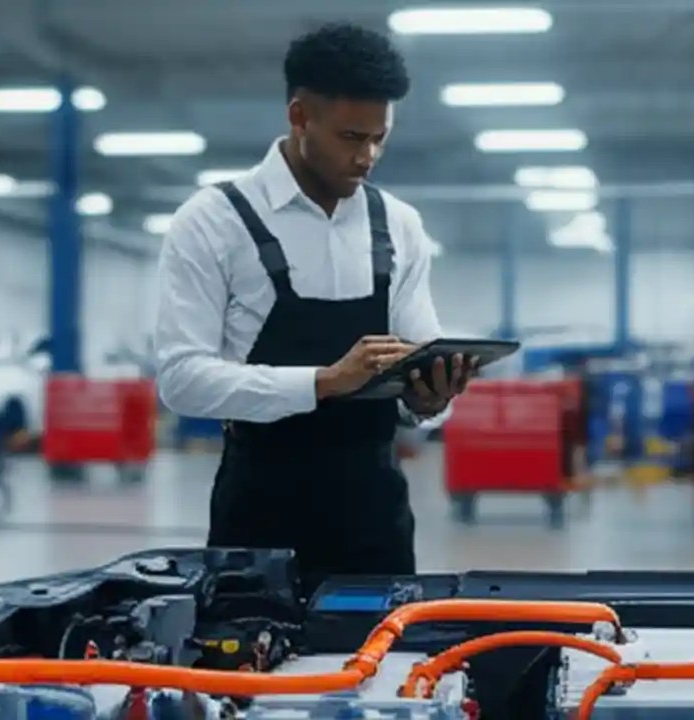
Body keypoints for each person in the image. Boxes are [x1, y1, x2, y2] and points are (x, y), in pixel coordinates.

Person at [153, 22, 474, 588]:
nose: (368, 156)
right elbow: (181, 380)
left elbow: (421, 360)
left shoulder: (398, 225)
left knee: (384, 670)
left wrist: (430, 398)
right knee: (247, 670)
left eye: (380, 137)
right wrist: (323, 382)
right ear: (299, 117)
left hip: (376, 513)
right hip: (260, 511)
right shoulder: (213, 221)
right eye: (352, 137)